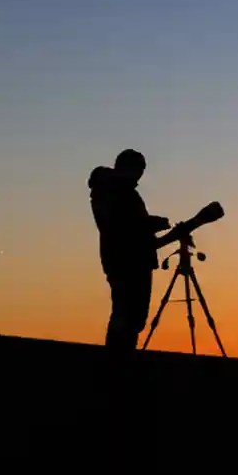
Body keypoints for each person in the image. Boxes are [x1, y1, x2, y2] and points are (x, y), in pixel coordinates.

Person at [88, 149, 171, 351]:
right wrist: (152, 224)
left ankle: (122, 356)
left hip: (128, 259)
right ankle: (119, 360)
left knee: (130, 316)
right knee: (127, 314)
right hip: (127, 261)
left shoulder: (113, 190)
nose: (141, 174)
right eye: (139, 168)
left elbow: (130, 225)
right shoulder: (116, 191)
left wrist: (149, 226)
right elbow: (124, 224)